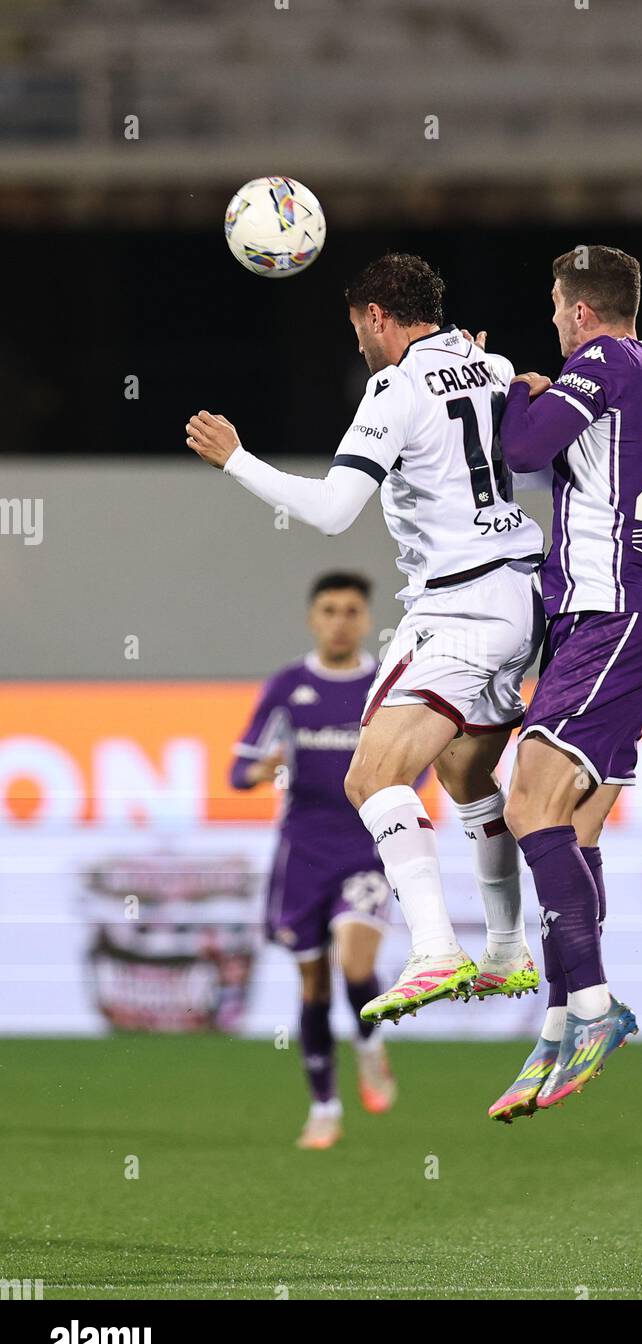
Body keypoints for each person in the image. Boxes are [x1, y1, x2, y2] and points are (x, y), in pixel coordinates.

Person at [187, 253, 546, 1026]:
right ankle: (509, 949)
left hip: (459, 608)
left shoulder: (398, 386)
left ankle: (434, 949)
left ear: (378, 316)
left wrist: (236, 459)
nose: (358, 345)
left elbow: (332, 510)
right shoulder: (491, 361)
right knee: (467, 777)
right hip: (522, 596)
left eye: (358, 329)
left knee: (369, 779)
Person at [487, 245, 642, 1121]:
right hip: (633, 620)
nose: (557, 323)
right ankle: (562, 1019)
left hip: (612, 618)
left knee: (526, 798)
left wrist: (513, 391)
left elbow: (523, 450)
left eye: (557, 308)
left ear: (579, 311)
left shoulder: (601, 359)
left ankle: (597, 1010)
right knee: (573, 822)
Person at [230, 571, 394, 1151]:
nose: (341, 621)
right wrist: (264, 767)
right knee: (313, 986)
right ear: (313, 617)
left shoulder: (387, 686)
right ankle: (324, 1107)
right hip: (301, 853)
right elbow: (239, 770)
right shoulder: (287, 687)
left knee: (354, 963)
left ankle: (371, 1046)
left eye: (352, 610)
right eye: (330, 610)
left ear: (367, 619)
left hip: (367, 848)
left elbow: (417, 763)